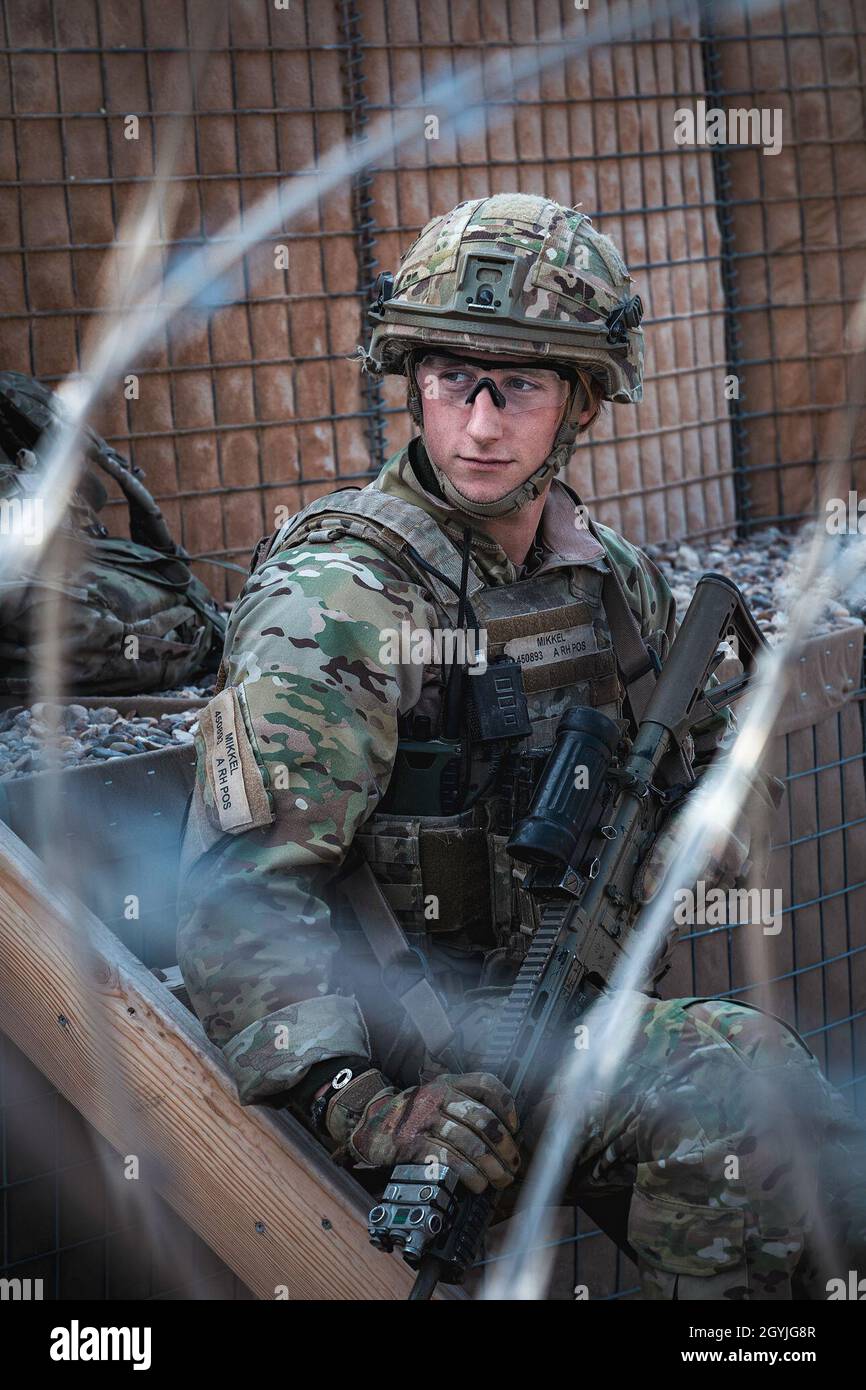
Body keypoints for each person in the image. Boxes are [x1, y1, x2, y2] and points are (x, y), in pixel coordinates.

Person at [176, 193, 864, 1299]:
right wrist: (373, 1111)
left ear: (582, 402)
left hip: (561, 1016)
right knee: (738, 1083)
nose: (480, 425)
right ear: (412, 380)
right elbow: (239, 905)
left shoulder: (613, 586)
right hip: (403, 1067)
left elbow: (713, 774)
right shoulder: (339, 601)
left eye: (521, 385)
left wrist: (698, 828)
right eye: (453, 381)